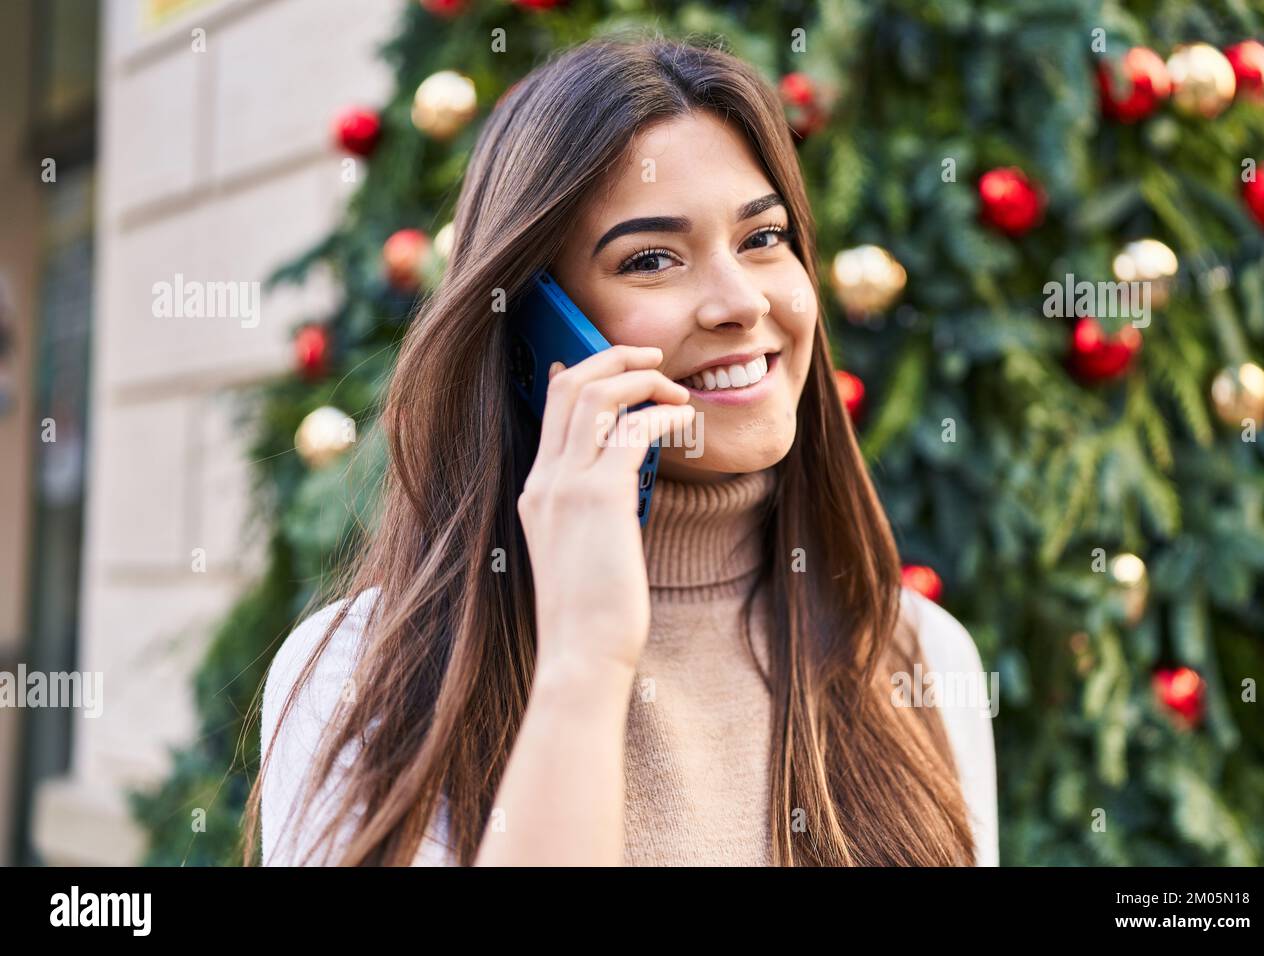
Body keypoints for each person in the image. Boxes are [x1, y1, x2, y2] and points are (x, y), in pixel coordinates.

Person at [249, 35, 998, 867]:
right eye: (651, 259)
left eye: (763, 239)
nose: (741, 302)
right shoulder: (365, 674)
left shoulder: (917, 654)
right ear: (536, 329)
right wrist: (584, 656)